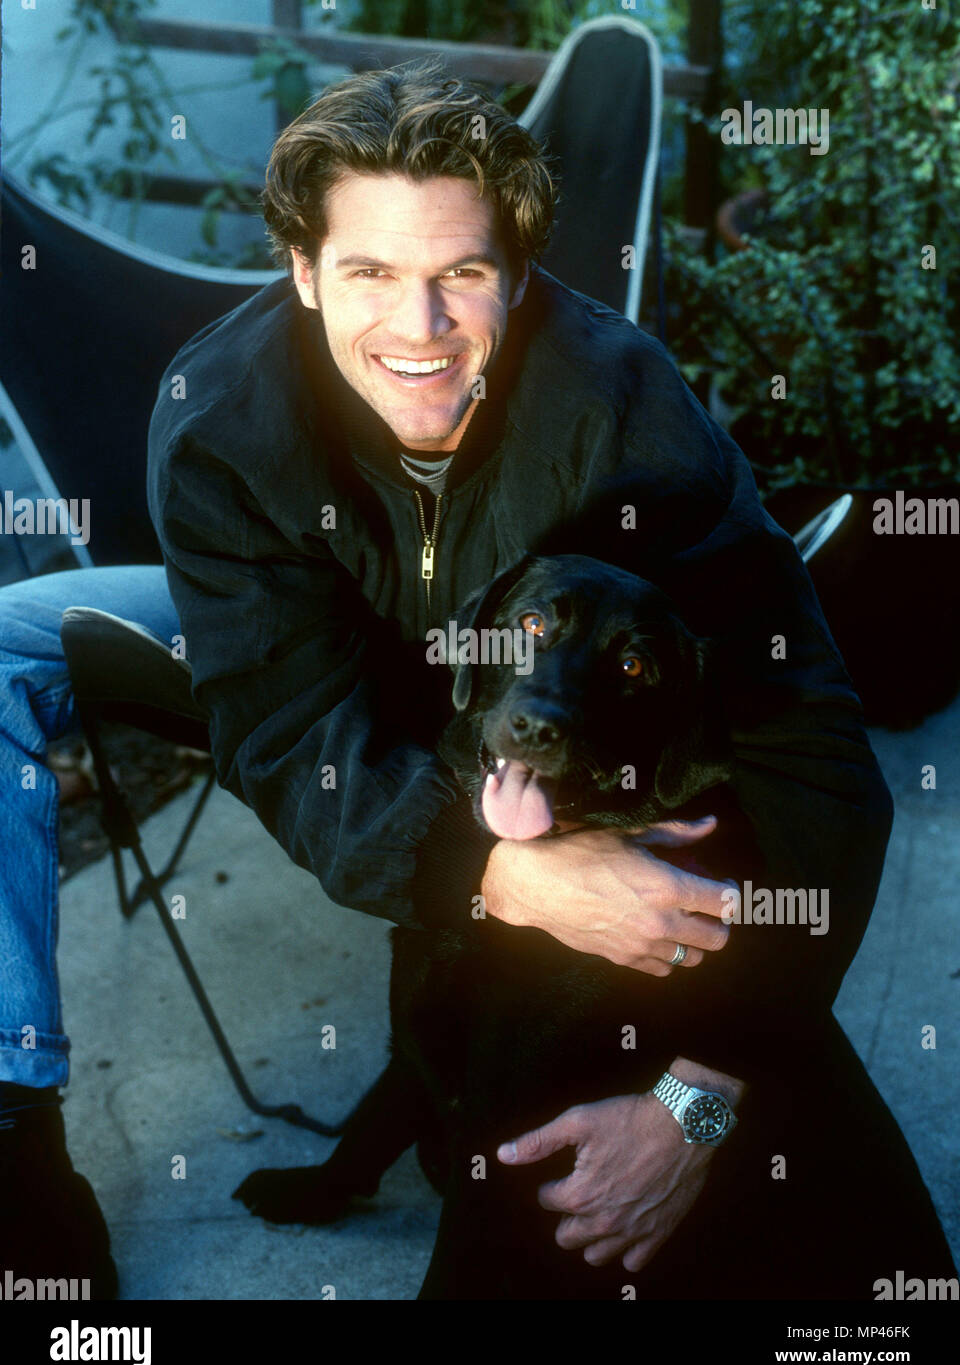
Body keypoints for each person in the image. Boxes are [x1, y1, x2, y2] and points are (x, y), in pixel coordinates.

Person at [0, 60, 953, 1299]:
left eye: (462, 274)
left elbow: (815, 758)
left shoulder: (625, 414)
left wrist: (703, 1093)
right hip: (324, 664)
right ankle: (15, 1128)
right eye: (371, 274)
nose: (420, 328)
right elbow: (291, 737)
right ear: (300, 271)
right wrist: (502, 874)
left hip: (524, 679)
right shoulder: (220, 418)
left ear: (519, 273)